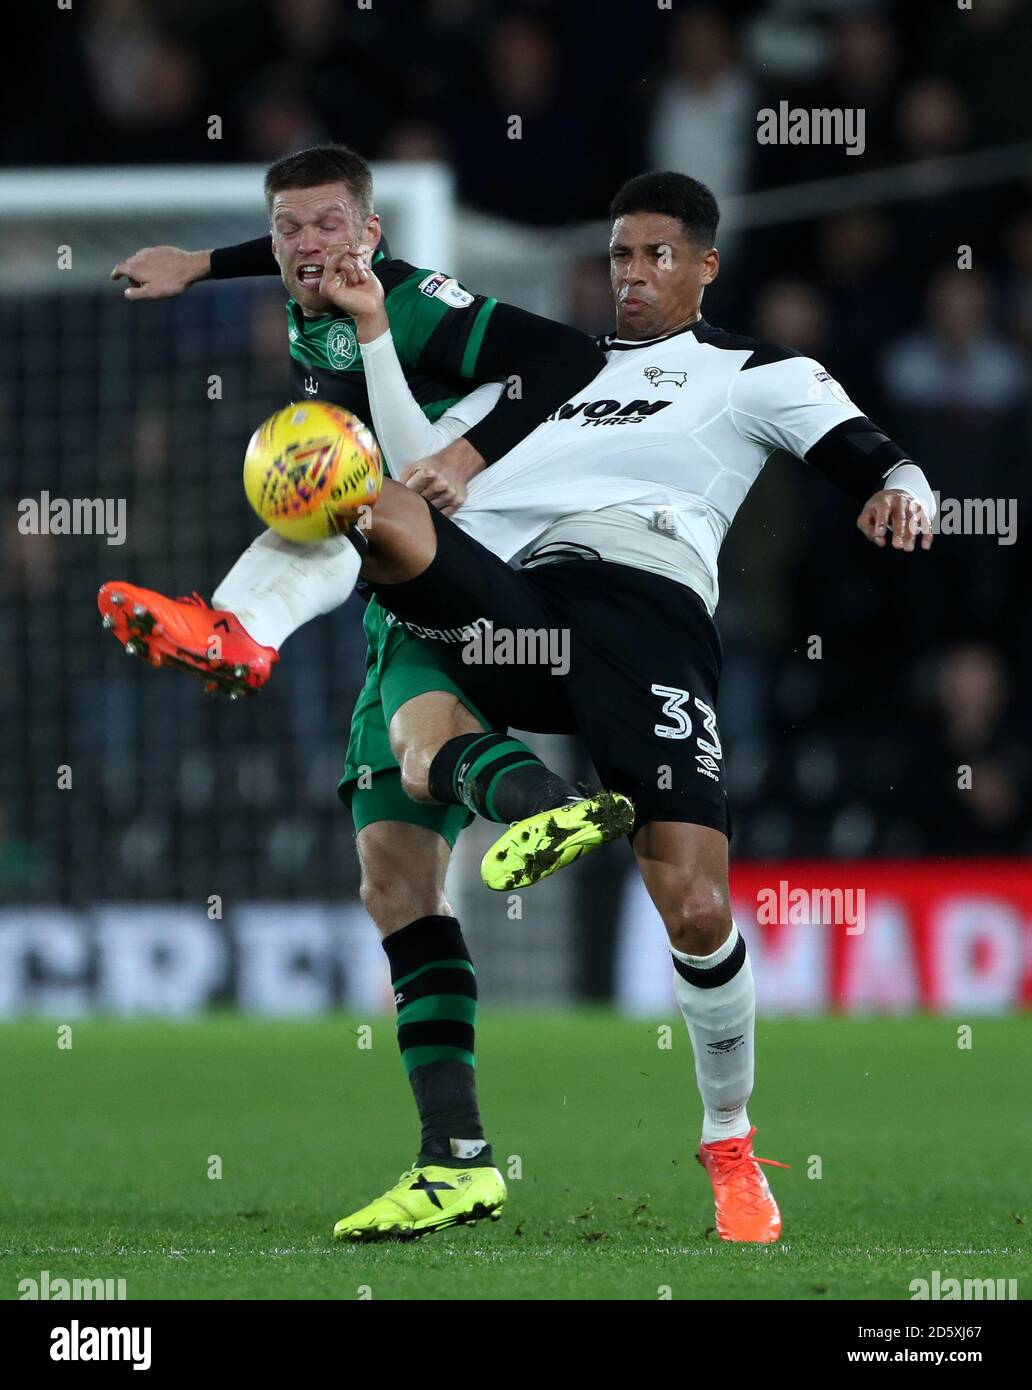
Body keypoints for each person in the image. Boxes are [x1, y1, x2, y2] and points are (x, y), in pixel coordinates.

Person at [101, 143, 621, 1244]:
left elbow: (570, 355)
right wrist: (199, 263)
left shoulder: (418, 306)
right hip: (409, 572)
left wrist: (473, 456)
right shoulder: (316, 291)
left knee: (348, 504)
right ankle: (460, 1159)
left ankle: (243, 628)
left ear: (375, 235)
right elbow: (295, 251)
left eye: (330, 227)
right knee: (394, 878)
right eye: (289, 229)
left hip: (482, 556)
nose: (306, 247)